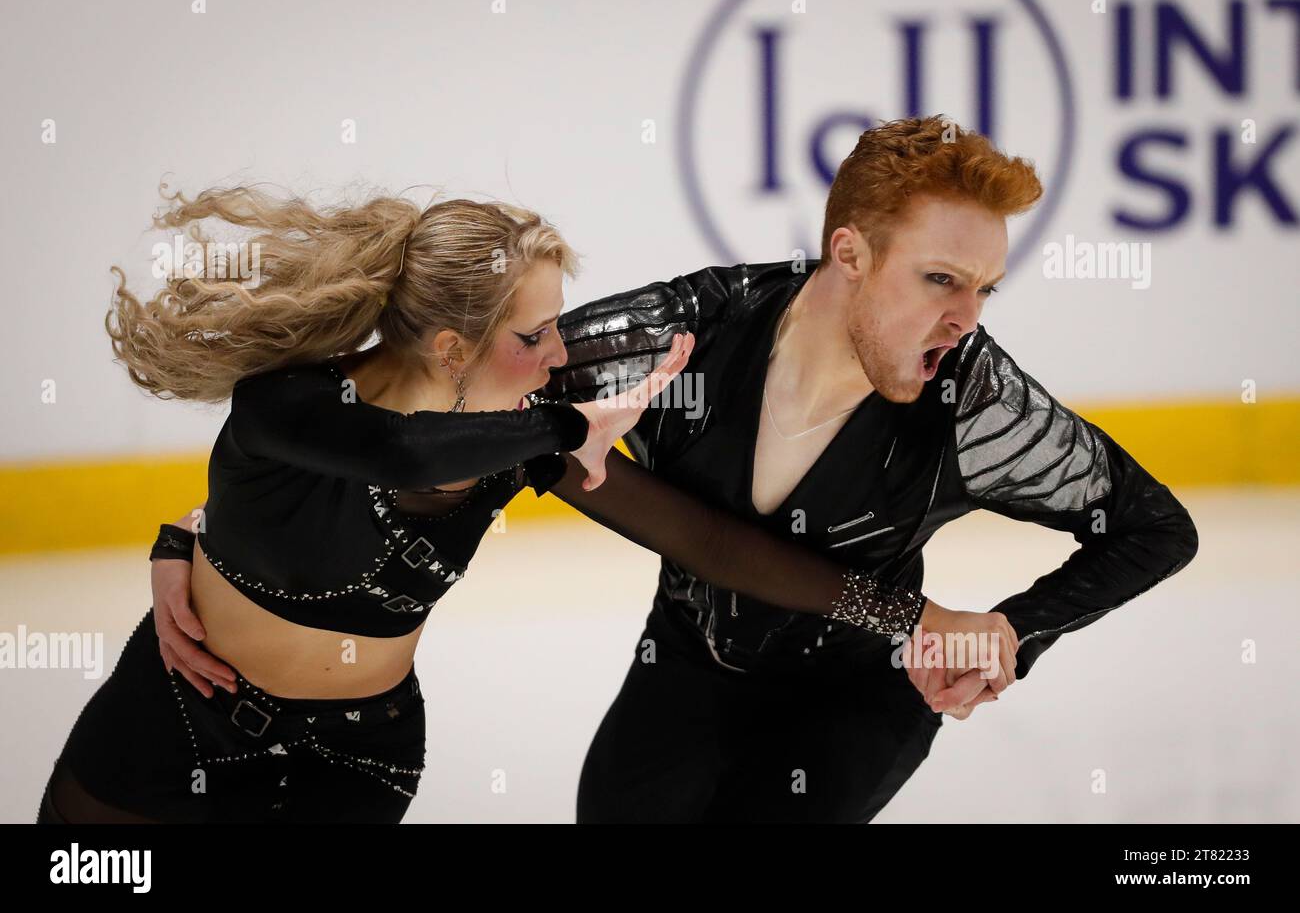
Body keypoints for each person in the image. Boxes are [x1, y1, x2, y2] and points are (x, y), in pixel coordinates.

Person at [37, 184, 985, 823]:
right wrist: (569, 430)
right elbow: (395, 449)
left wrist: (905, 613)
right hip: (177, 715)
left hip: (357, 756)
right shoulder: (288, 403)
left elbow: (708, 543)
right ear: (452, 347)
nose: (559, 356)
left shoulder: (515, 433)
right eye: (535, 335)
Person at [533, 116, 1201, 822]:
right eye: (941, 279)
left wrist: (1015, 628)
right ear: (849, 253)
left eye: (985, 289)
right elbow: (484, 397)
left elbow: (1154, 526)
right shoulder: (689, 335)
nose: (966, 319)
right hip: (681, 666)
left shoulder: (973, 401)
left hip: (854, 699)